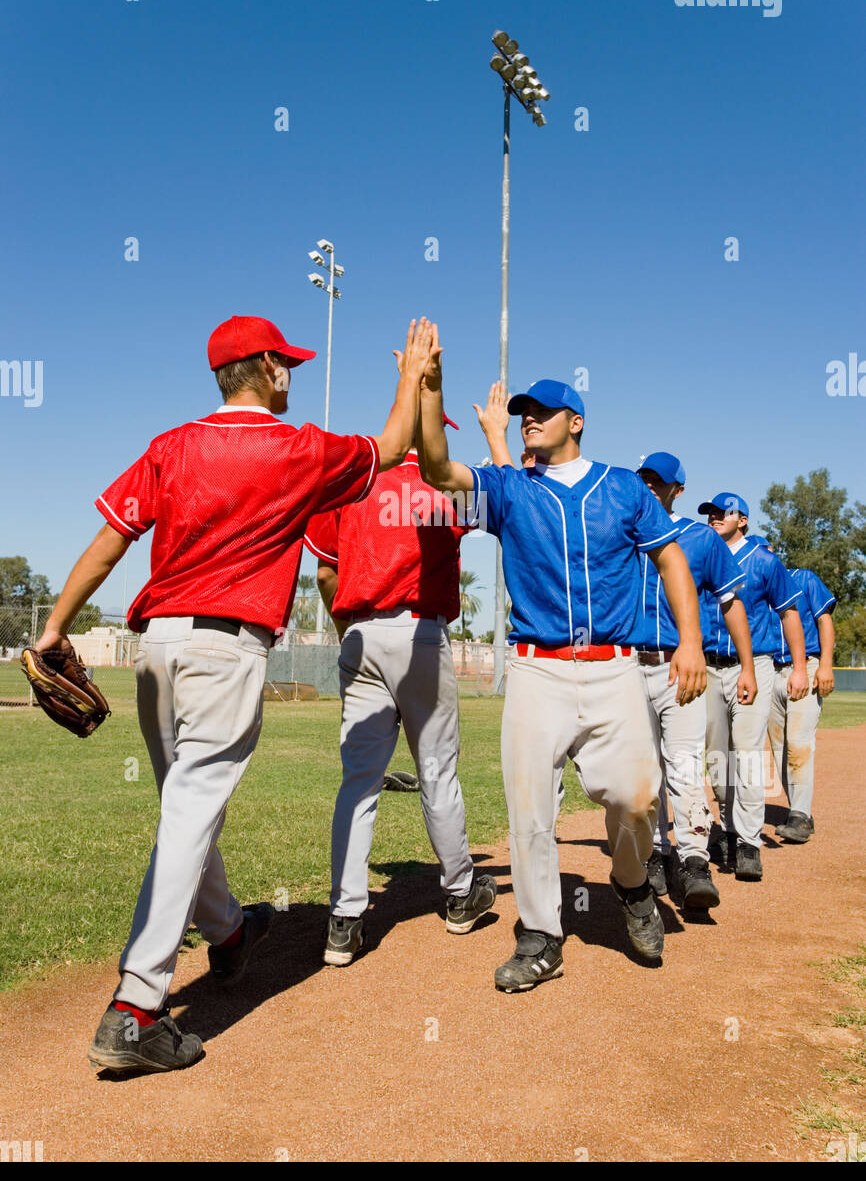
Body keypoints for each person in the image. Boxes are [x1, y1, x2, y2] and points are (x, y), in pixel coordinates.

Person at [36, 313, 434, 1073]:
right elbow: (389, 448)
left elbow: (113, 537)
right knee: (190, 811)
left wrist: (57, 624)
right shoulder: (299, 447)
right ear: (266, 370)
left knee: (186, 807)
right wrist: (412, 378)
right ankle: (136, 1007)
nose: (294, 373)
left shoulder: (172, 445)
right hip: (226, 648)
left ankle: (225, 931)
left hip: (157, 647)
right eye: (287, 362)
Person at [420, 360, 706, 990]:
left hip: (615, 669)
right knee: (528, 811)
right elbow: (440, 471)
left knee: (637, 797)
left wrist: (690, 640)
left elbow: (671, 558)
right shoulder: (509, 488)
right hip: (536, 671)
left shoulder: (625, 488)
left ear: (575, 423)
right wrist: (427, 389)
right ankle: (541, 933)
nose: (528, 419)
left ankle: (631, 884)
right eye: (522, 412)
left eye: (541, 412)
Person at [304, 405, 497, 966]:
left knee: (359, 783)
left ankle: (344, 920)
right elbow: (507, 495)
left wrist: (349, 635)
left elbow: (324, 571)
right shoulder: (445, 488)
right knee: (437, 773)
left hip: (361, 633)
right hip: (420, 635)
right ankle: (460, 895)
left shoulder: (350, 480)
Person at [631, 454, 757, 909]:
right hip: (625, 665)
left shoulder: (702, 538)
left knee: (684, 764)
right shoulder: (623, 530)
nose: (647, 486)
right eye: (641, 478)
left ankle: (693, 862)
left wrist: (747, 665)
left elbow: (730, 603)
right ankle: (653, 855)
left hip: (681, 665)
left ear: (676, 489)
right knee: (642, 771)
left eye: (657, 481)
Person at [698, 492, 808, 881]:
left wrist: (798, 668)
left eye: (723, 512)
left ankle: (748, 843)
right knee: (715, 756)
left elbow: (789, 612)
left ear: (742, 519)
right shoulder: (703, 555)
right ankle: (726, 830)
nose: (714, 517)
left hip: (755, 666)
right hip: (709, 667)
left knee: (745, 753)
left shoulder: (763, 561)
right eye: (710, 511)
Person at [767, 566, 836, 843]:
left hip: (806, 665)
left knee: (798, 741)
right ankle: (800, 810)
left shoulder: (804, 578)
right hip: (770, 671)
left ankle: (799, 815)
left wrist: (826, 666)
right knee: (780, 748)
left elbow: (825, 621)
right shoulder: (758, 586)